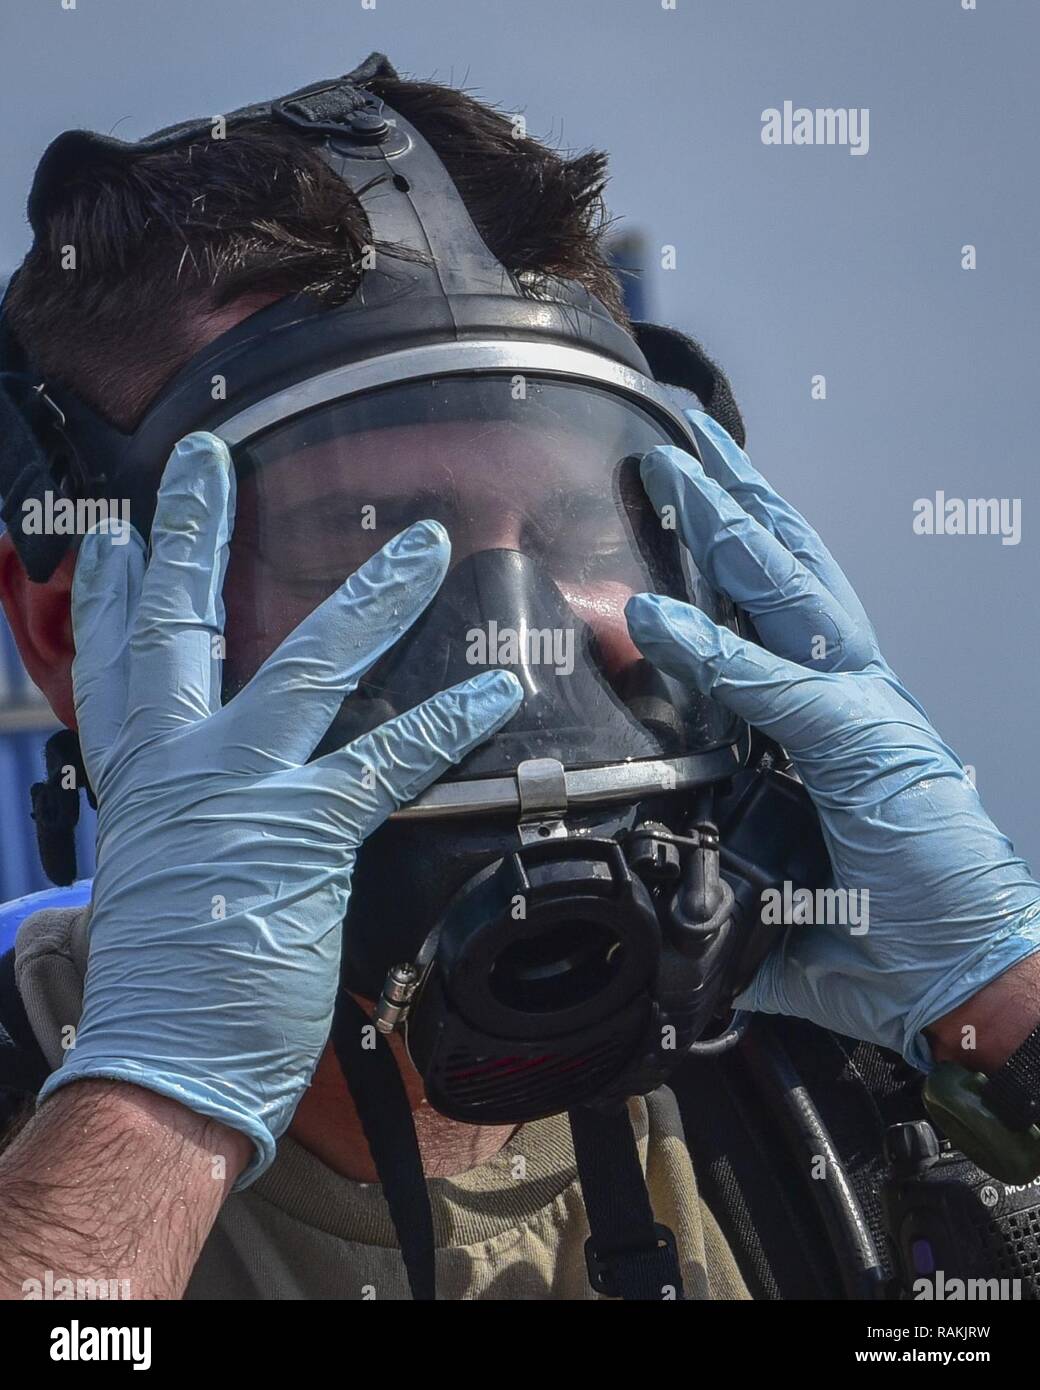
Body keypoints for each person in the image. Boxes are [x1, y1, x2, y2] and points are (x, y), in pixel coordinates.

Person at [0, 55, 1038, 1302]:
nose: (515, 633)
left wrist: (1002, 1000)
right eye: (368, 537)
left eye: (575, 531)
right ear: (65, 629)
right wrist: (153, 1110)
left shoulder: (827, 1095)